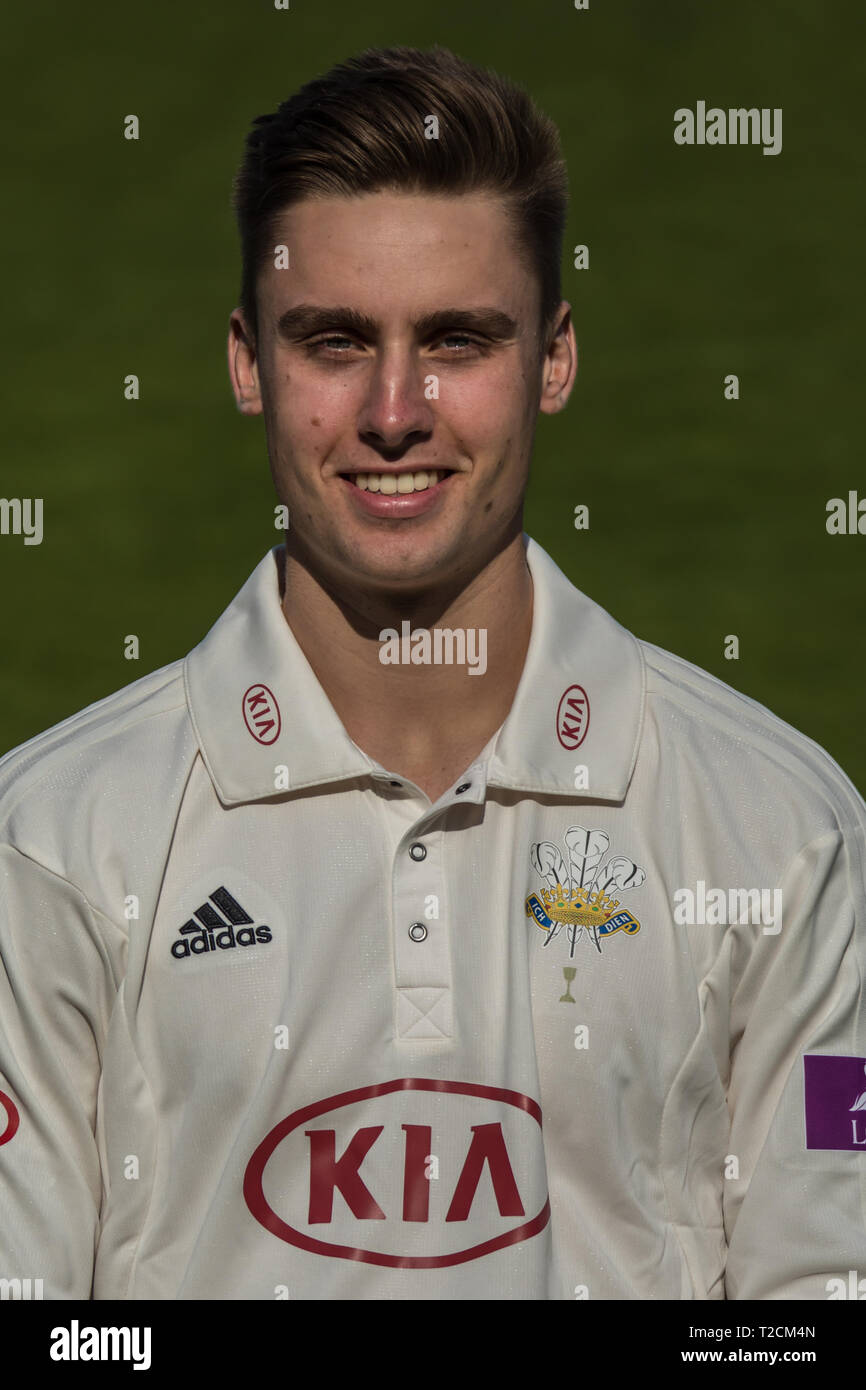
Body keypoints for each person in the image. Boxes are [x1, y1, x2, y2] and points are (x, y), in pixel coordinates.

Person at [0, 44, 864, 1302]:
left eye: (456, 340)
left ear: (552, 361)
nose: (394, 411)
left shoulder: (783, 836)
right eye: (335, 341)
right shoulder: (49, 849)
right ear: (249, 364)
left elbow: (819, 1305)